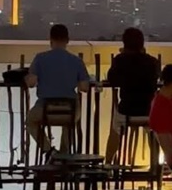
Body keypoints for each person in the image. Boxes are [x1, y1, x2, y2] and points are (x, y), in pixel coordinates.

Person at [25, 24, 90, 155]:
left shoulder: (40, 58)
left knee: (30, 122)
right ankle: (64, 155)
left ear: (50, 40)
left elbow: (31, 83)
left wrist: (27, 77)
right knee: (69, 124)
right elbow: (84, 88)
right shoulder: (76, 61)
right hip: (69, 110)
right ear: (67, 40)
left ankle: (49, 151)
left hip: (45, 109)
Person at [104, 28, 160, 163]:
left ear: (124, 43)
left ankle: (108, 163)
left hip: (126, 109)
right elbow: (157, 78)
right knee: (154, 132)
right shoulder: (153, 62)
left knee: (115, 129)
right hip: (148, 110)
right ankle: (155, 164)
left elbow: (112, 79)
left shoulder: (120, 60)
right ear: (142, 44)